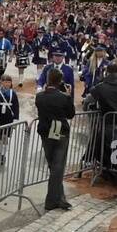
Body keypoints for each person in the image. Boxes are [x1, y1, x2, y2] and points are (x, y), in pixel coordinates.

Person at [35, 69, 75, 211]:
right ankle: (52, 200)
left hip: (46, 132)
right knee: (58, 166)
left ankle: (60, 198)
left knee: (53, 166)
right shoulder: (64, 98)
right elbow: (70, 114)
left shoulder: (39, 97)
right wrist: (68, 96)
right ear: (60, 81)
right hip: (61, 132)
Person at [0, 74, 20, 165]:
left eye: (9, 82)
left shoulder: (13, 93)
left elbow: (16, 107)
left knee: (5, 138)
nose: (7, 83)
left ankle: (3, 155)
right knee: (0, 138)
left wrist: (16, 119)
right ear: (1, 82)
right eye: (5, 81)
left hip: (9, 118)